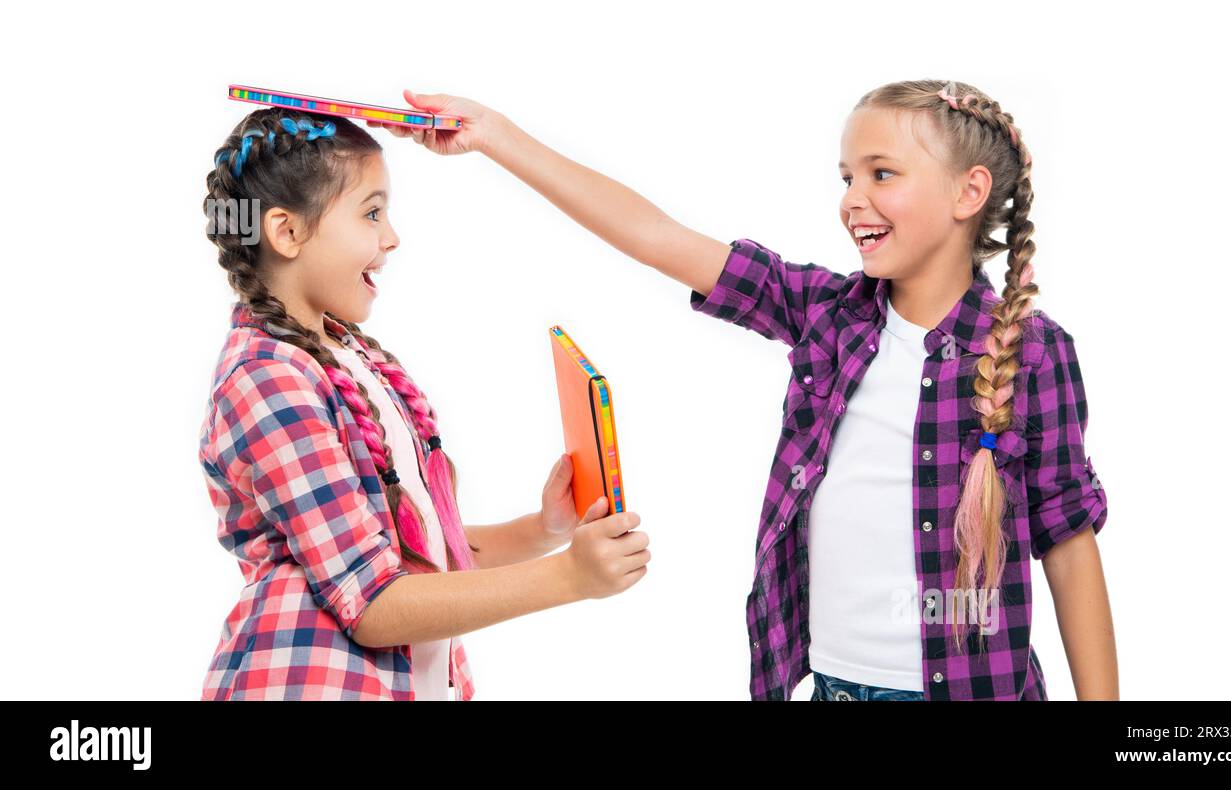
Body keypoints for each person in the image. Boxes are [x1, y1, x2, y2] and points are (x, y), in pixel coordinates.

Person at [367, 79, 1116, 701]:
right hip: (831, 687)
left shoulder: (1034, 353)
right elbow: (656, 236)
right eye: (846, 177)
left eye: (881, 173)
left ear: (968, 193)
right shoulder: (825, 316)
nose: (853, 198)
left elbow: (1069, 548)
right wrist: (496, 135)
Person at [199, 109, 649, 700]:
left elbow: (422, 555)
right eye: (371, 213)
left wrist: (545, 529)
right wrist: (568, 578)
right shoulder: (266, 380)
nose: (391, 237)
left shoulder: (344, 355)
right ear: (287, 233)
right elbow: (374, 600)